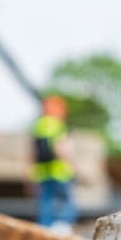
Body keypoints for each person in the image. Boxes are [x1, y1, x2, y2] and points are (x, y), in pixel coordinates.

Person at [31, 95, 76, 232]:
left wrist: (30, 174)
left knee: (46, 202)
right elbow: (60, 148)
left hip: (43, 173)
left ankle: (45, 227)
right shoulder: (57, 125)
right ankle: (63, 227)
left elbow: (33, 151)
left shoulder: (39, 125)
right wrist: (73, 165)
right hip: (60, 172)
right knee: (64, 202)